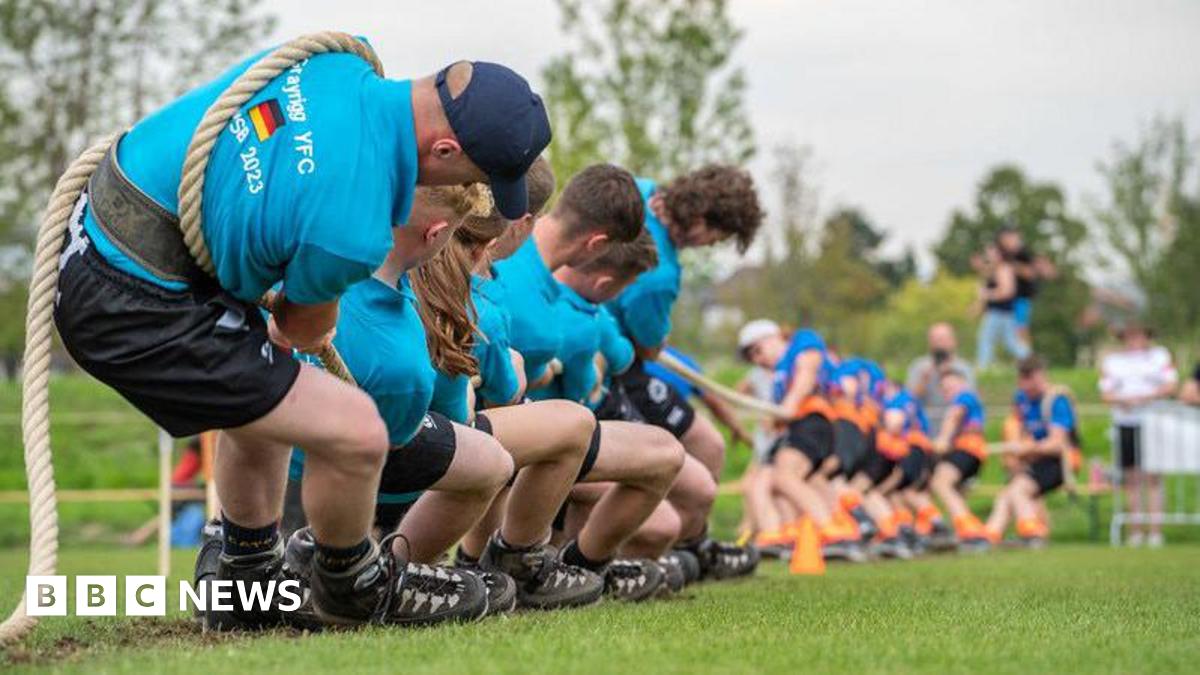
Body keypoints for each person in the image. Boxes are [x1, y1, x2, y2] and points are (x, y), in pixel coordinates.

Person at [53, 41, 552, 630]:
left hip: (102, 218)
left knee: (266, 391)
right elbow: (297, 330)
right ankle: (351, 581)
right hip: (129, 296)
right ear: (443, 149)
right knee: (356, 432)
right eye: (471, 174)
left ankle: (247, 576)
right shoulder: (353, 227)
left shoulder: (340, 59)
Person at [604, 165, 764, 574]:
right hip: (612, 365)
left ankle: (695, 545)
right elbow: (649, 345)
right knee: (685, 463)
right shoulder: (660, 275)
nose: (711, 245)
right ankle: (635, 549)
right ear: (702, 221)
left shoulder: (639, 190)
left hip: (623, 358)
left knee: (708, 445)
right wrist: (654, 338)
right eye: (718, 237)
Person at [738, 320, 864, 561]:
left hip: (815, 419)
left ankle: (833, 529)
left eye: (756, 351)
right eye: (751, 357)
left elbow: (807, 373)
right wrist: (774, 420)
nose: (757, 360)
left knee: (785, 476)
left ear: (771, 337)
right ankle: (777, 534)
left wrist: (789, 405)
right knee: (767, 481)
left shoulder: (802, 341)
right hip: (798, 426)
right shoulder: (778, 376)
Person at [984, 356, 1080, 547]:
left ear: (1042, 376)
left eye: (1031, 379)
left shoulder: (1057, 400)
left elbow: (1057, 444)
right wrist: (1016, 452)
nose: (1026, 385)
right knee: (1006, 495)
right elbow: (1019, 429)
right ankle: (988, 537)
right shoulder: (1021, 399)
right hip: (1035, 461)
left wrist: (1027, 448)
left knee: (1019, 490)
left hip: (1060, 461)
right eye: (1023, 379)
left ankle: (1033, 533)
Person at [1100, 323, 1178, 548]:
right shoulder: (1113, 362)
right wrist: (1123, 400)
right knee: (1132, 479)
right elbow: (1106, 393)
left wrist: (1147, 397)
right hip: (1126, 423)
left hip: (1153, 421)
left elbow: (1170, 385)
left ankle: (1155, 532)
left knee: (1153, 477)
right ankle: (1135, 532)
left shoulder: (1159, 356)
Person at [927, 365, 990, 550]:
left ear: (962, 383)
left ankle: (970, 531)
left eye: (951, 387)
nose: (949, 392)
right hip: (972, 452)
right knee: (954, 491)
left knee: (940, 482)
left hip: (968, 449)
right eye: (945, 389)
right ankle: (965, 531)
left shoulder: (965, 396)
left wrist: (943, 439)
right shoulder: (969, 399)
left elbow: (953, 416)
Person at [905, 323, 975, 433]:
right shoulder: (919, 366)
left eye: (943, 339)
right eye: (936, 339)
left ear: (953, 341)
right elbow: (908, 400)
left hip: (957, 428)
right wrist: (924, 381)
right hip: (925, 427)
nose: (940, 344)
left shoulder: (964, 368)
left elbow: (970, 399)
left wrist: (951, 377)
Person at [995, 227, 1056, 348]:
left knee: (1021, 329)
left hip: (1022, 297)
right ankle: (1024, 356)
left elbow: (1031, 273)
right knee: (1014, 330)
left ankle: (1027, 356)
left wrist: (1011, 267)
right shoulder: (1008, 254)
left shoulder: (1023, 254)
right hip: (1014, 298)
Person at [975, 243, 1031, 369]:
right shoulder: (997, 269)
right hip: (1001, 313)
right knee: (1010, 342)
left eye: (991, 253)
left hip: (1000, 312)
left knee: (986, 339)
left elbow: (1007, 291)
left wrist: (987, 294)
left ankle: (984, 368)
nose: (988, 256)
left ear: (999, 255)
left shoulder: (1004, 269)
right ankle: (1030, 359)